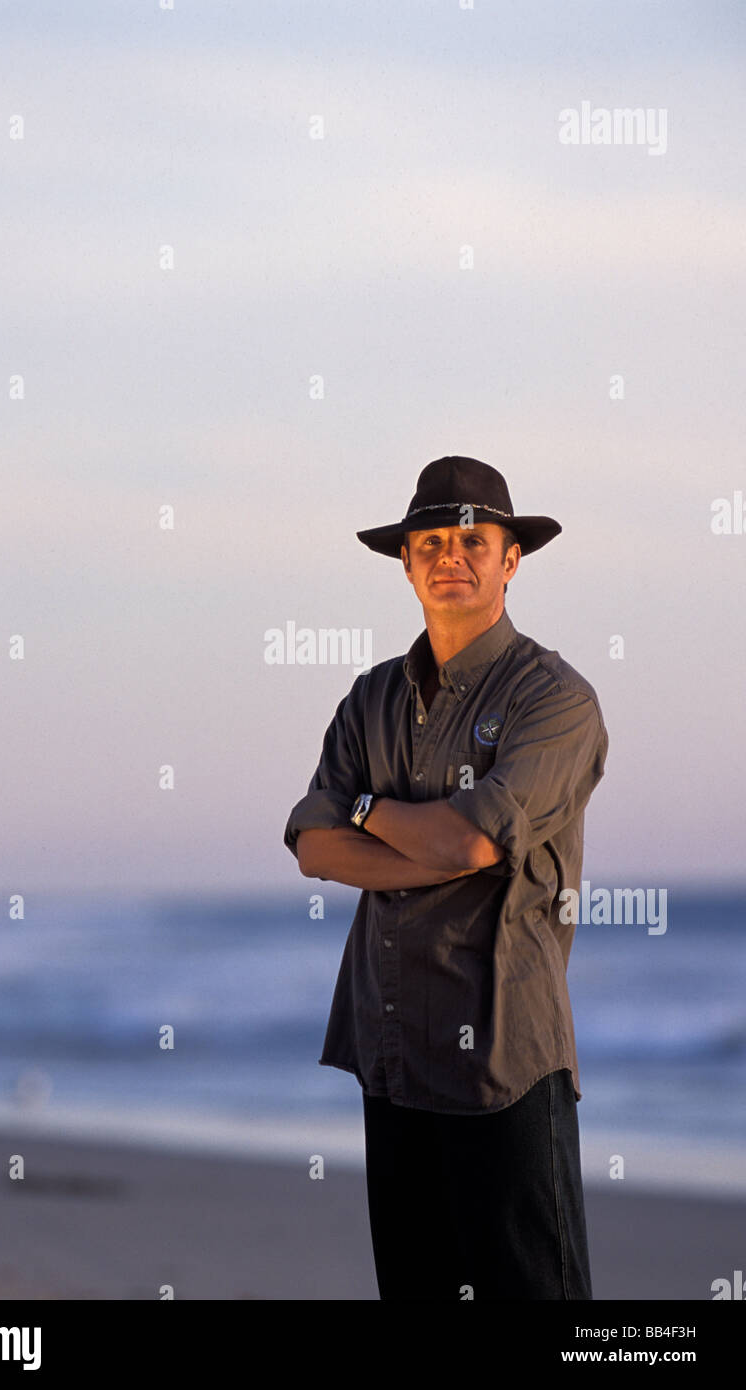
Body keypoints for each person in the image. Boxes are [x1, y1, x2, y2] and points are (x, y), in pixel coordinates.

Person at [283, 455, 609, 1301]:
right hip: (390, 1048)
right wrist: (393, 824)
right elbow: (312, 846)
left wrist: (362, 809)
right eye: (428, 540)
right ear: (405, 561)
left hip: (502, 1054)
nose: (448, 555)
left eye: (473, 538)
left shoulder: (556, 697)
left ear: (511, 558)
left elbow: (469, 843)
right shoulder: (371, 699)